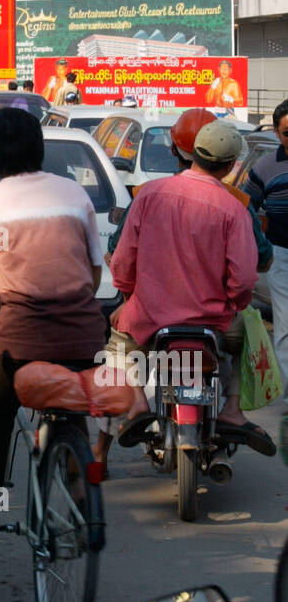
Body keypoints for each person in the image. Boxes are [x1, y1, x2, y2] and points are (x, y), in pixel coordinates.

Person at [0, 107, 106, 539]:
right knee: (73, 407)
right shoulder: (75, 194)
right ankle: (81, 493)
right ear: (40, 148)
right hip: (84, 330)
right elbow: (93, 275)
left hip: (20, 338)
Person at [95, 109, 274, 467]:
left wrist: (129, 295)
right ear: (230, 165)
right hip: (214, 321)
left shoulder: (148, 195)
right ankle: (233, 411)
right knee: (249, 338)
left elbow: (123, 258)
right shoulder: (236, 207)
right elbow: (243, 277)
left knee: (118, 346)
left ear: (179, 151)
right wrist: (236, 304)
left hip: (151, 315)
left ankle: (136, 406)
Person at [244, 98, 288, 399]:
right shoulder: (264, 167)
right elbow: (246, 209)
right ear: (277, 133)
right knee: (285, 326)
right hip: (282, 255)